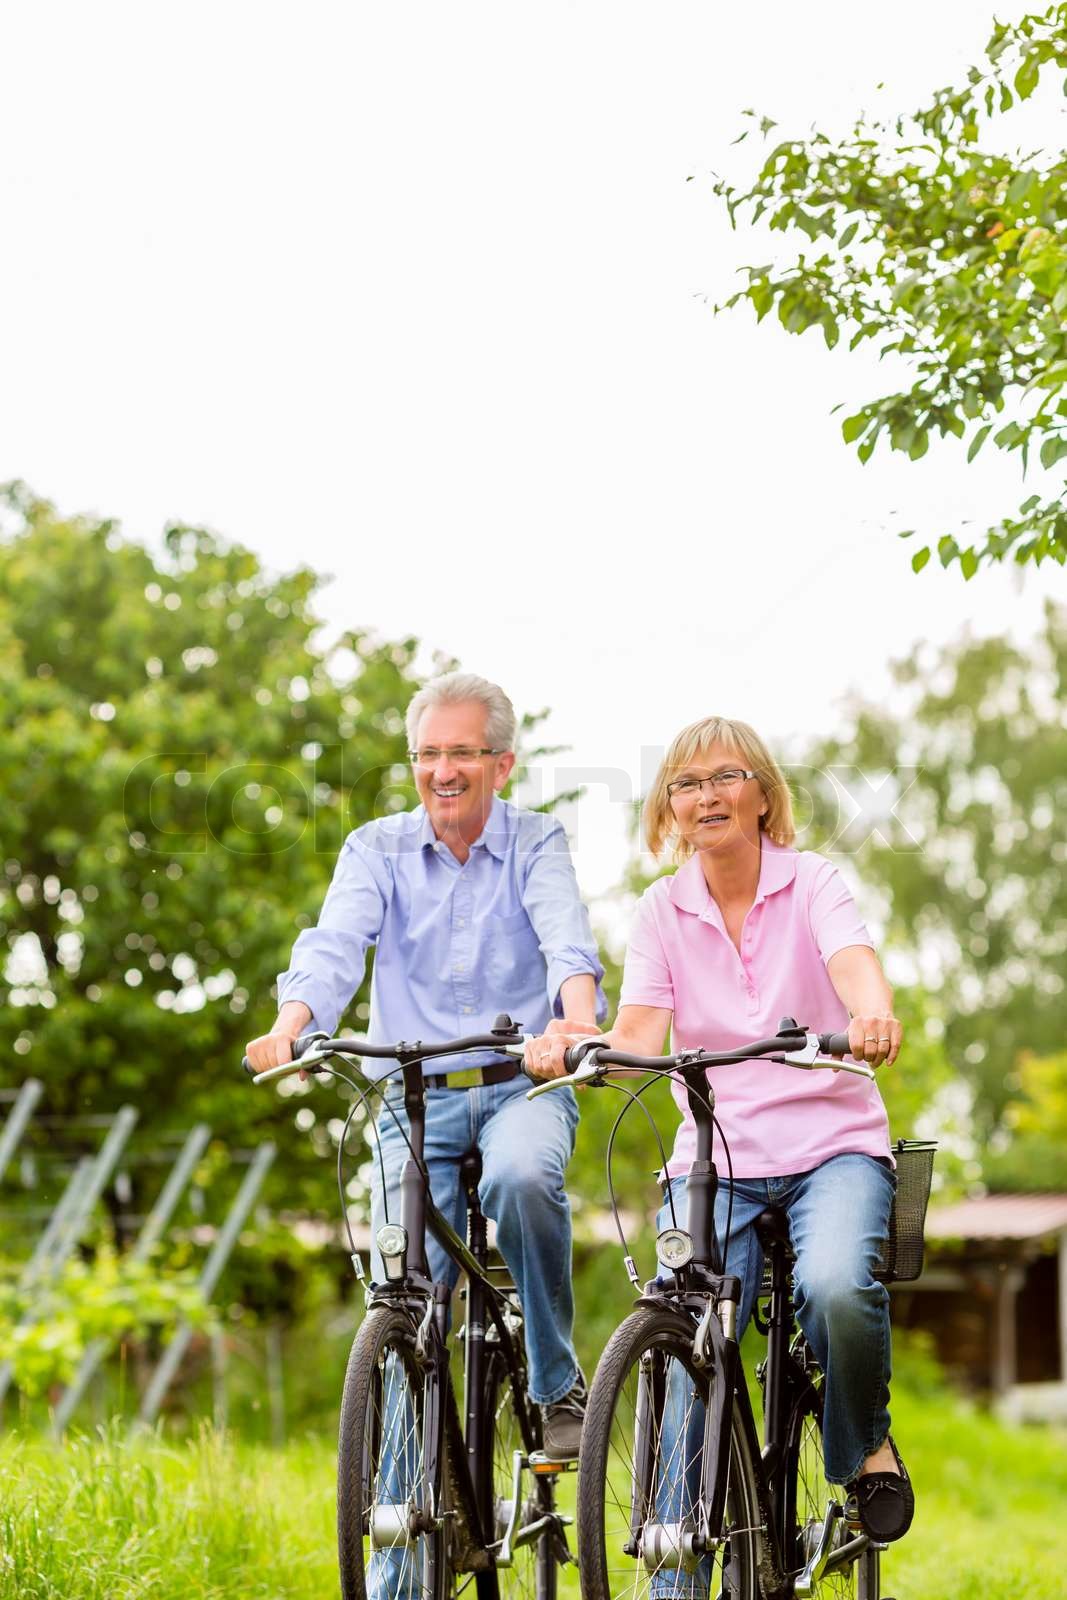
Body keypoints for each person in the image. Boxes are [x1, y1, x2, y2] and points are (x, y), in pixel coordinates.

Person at [526, 715, 915, 1554]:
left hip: (831, 1150)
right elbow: (639, 1035)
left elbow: (852, 962)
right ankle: (674, 1559)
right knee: (682, 1336)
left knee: (837, 1287)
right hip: (715, 1160)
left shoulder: (811, 881)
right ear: (669, 812)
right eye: (686, 784)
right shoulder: (661, 910)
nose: (707, 796)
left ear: (763, 796)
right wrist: (579, 1046)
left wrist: (870, 1013)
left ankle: (861, 1448)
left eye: (725, 777)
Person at [245, 671, 604, 1460]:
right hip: (412, 1097)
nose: (442, 770)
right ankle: (399, 1545)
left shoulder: (536, 841)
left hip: (522, 1086)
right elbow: (335, 945)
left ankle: (552, 1382)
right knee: (404, 1301)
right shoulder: (374, 848)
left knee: (519, 1179)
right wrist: (294, 1024)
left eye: (462, 753)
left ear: (502, 764)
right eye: (426, 753)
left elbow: (565, 940)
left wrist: (573, 1023)